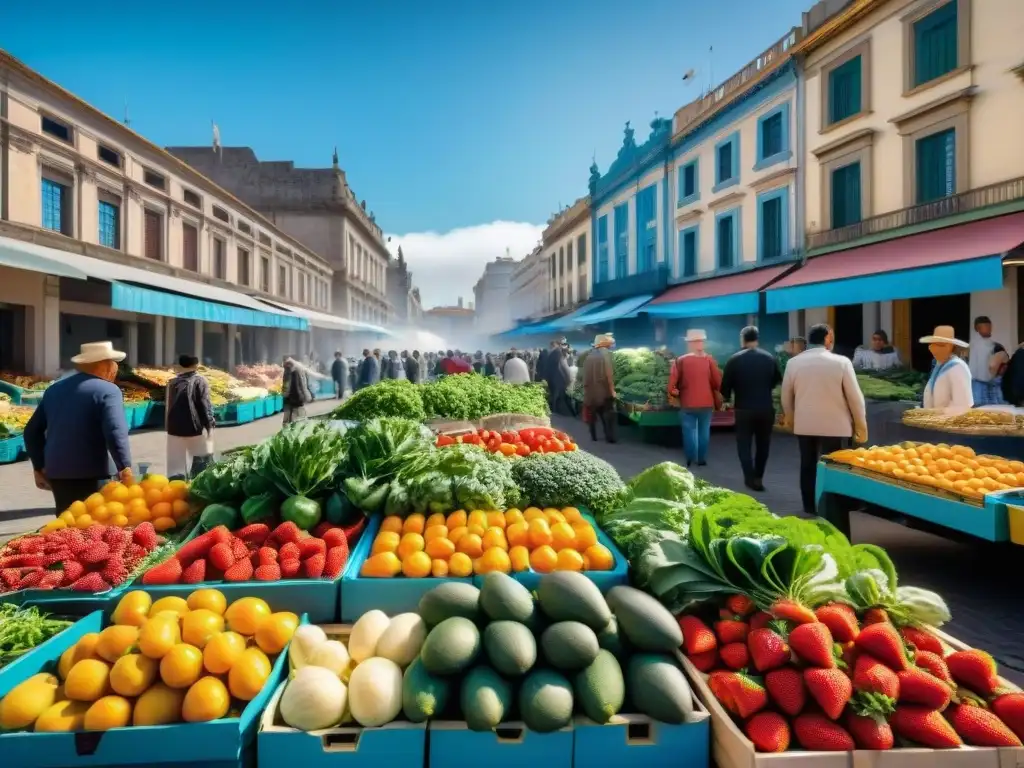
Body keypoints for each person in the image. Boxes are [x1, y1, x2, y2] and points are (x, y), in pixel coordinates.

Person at [24, 341, 133, 513]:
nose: (115, 368)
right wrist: (124, 466)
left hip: (57, 473)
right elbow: (115, 431)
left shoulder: (55, 389)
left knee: (66, 526)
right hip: (94, 473)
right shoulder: (108, 390)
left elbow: (31, 431)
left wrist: (39, 466)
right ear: (104, 365)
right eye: (114, 364)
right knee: (95, 528)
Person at [781, 323, 868, 516]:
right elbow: (855, 399)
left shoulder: (793, 363)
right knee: (834, 466)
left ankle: (809, 507)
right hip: (836, 425)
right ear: (827, 337)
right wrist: (861, 426)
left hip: (805, 424)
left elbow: (786, 396)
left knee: (807, 464)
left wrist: (791, 419)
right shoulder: (841, 362)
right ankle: (832, 505)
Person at [721, 326, 782, 492]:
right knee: (763, 445)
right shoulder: (770, 358)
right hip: (765, 408)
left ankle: (749, 478)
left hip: (743, 409)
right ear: (757, 339)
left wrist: (727, 398)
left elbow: (725, 387)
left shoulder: (734, 360)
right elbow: (776, 380)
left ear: (743, 339)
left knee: (744, 445)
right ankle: (758, 477)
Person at [669, 329, 722, 467]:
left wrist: (675, 393)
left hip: (688, 403)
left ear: (689, 344)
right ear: (702, 343)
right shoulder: (709, 360)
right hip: (706, 402)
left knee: (689, 430)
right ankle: (701, 458)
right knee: (704, 431)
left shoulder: (680, 360)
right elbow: (718, 383)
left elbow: (671, 386)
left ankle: (690, 457)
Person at [165, 354, 215, 479]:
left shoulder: (172, 382)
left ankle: (176, 491)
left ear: (181, 365)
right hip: (194, 429)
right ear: (196, 365)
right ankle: (197, 489)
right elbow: (205, 405)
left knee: (176, 468)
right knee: (201, 464)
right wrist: (210, 426)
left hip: (173, 429)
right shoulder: (200, 381)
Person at [921, 325, 973, 411]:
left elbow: (963, 406)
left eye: (939, 345)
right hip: (933, 421)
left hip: (947, 422)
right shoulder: (939, 366)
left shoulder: (958, 368)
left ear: (949, 347)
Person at [583, 334, 617, 443]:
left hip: (591, 392)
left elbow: (585, 376)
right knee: (608, 415)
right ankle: (609, 437)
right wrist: (612, 391)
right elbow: (609, 375)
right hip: (603, 391)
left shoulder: (589, 356)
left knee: (592, 415)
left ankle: (593, 436)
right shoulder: (606, 355)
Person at [969, 316, 1009, 406]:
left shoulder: (993, 345)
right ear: (978, 328)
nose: (989, 328)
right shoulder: (974, 345)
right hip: (977, 383)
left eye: (989, 326)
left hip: (990, 383)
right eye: (985, 326)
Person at [282, 357, 314, 424]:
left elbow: (302, 386)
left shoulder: (294, 372)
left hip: (295, 400)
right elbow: (302, 386)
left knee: (293, 419)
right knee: (295, 419)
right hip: (294, 400)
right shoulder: (289, 373)